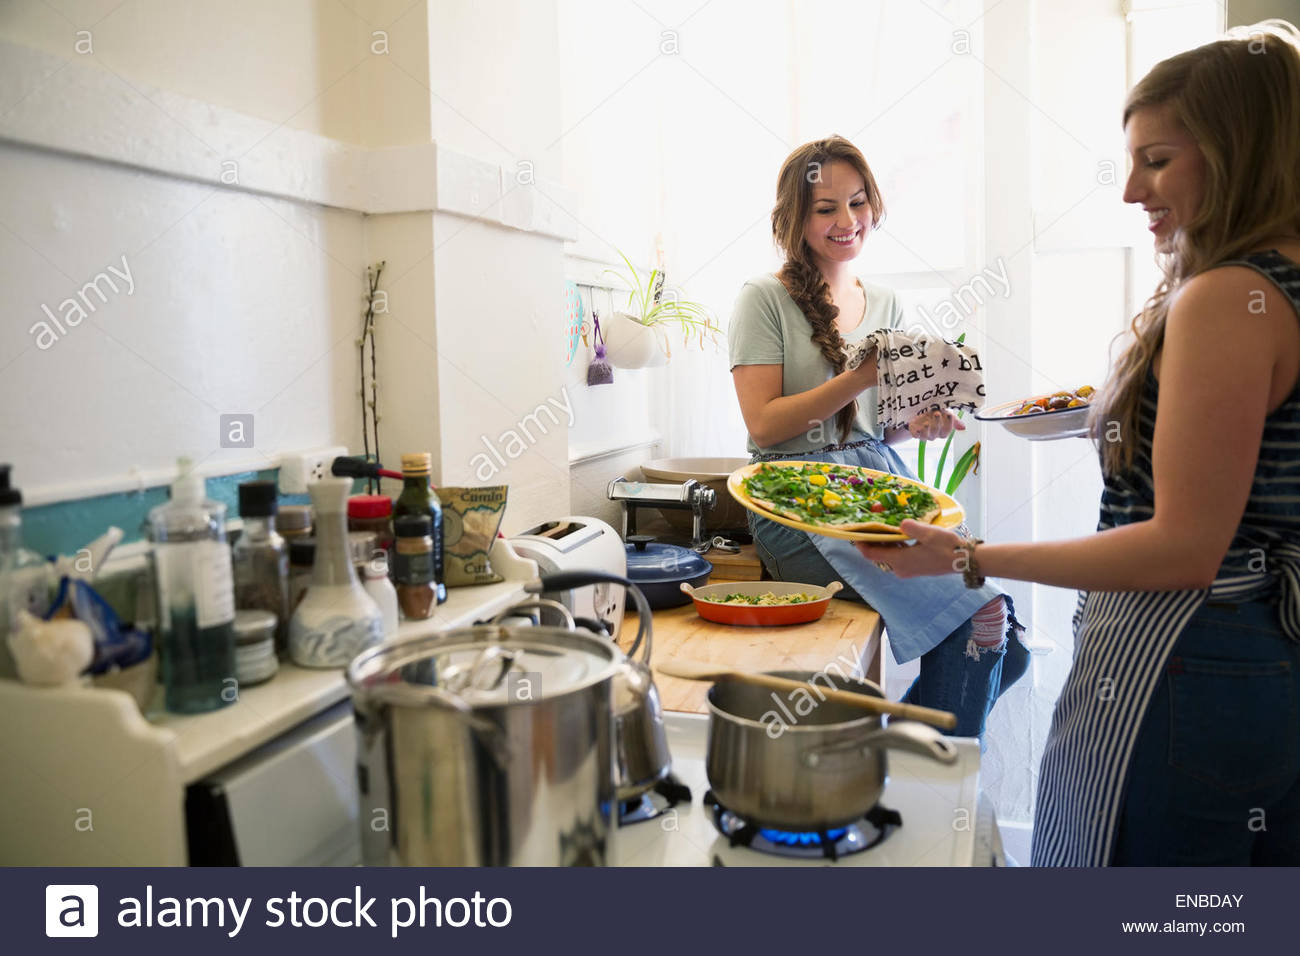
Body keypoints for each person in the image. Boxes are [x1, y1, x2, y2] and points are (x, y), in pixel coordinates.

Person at [858, 21, 1300, 866]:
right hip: (1267, 663)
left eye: (1160, 159)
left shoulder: (1224, 297)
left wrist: (968, 557)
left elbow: (1184, 550)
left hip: (1188, 661)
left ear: (1238, 152)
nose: (1132, 189)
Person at [728, 134, 1030, 741]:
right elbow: (763, 425)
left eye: (858, 202)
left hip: (876, 477)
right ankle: (927, 790)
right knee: (985, 618)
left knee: (1012, 645)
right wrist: (860, 375)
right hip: (795, 494)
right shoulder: (762, 298)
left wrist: (918, 423)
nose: (847, 221)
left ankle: (884, 754)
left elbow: (877, 426)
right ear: (795, 217)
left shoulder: (885, 300)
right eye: (825, 207)